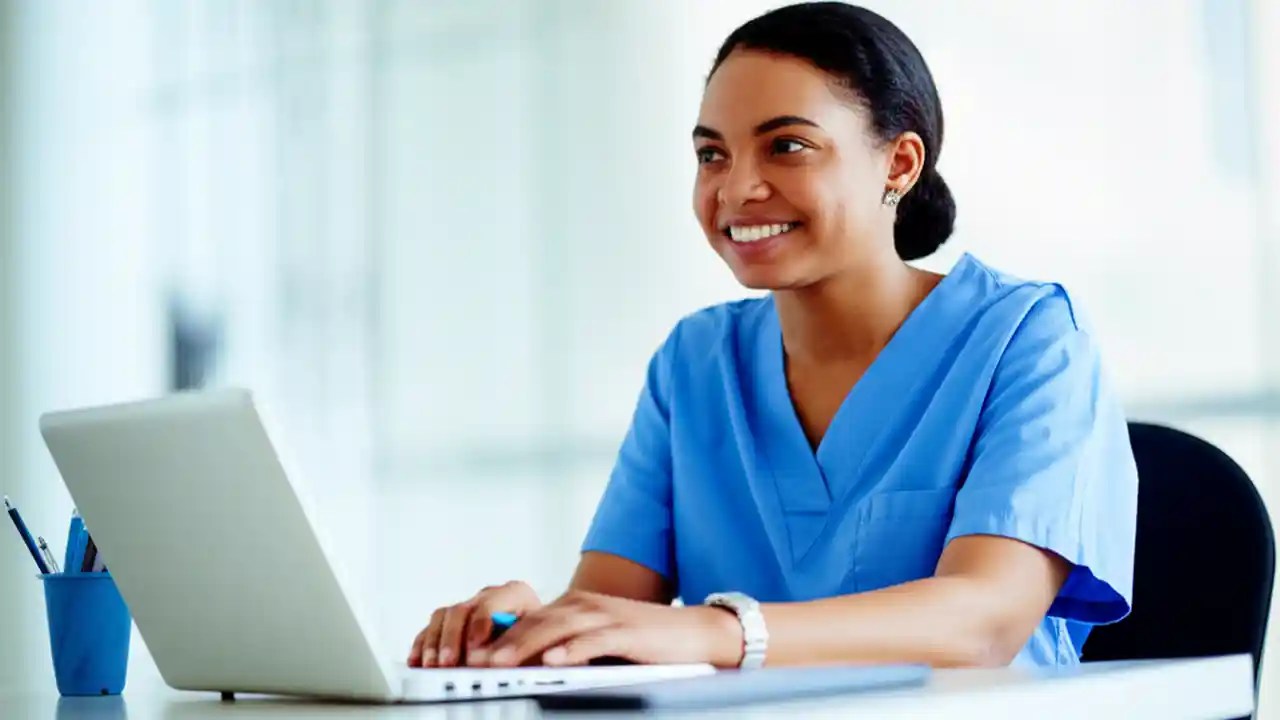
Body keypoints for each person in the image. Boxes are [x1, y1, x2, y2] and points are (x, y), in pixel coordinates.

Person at [407, 1, 1137, 670]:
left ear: (900, 163)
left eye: (786, 147)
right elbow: (612, 611)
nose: (735, 189)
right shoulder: (694, 365)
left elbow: (983, 624)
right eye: (711, 154)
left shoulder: (1028, 339)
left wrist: (719, 632)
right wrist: (529, 626)